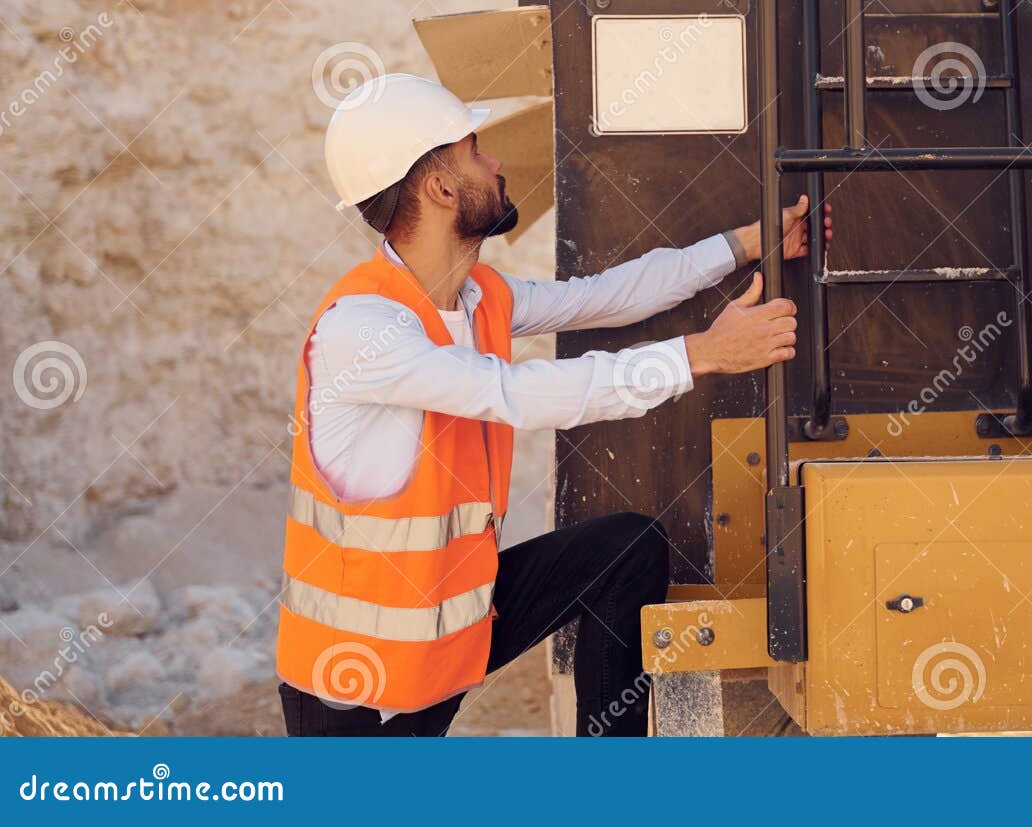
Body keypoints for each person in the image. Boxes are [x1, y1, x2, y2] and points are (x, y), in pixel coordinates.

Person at [275, 73, 828, 736]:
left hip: (452, 627)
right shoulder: (362, 328)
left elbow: (606, 296)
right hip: (356, 687)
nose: (497, 162)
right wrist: (703, 354)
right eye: (476, 150)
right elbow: (513, 394)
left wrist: (750, 241)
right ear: (440, 188)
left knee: (627, 549)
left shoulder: (476, 298)